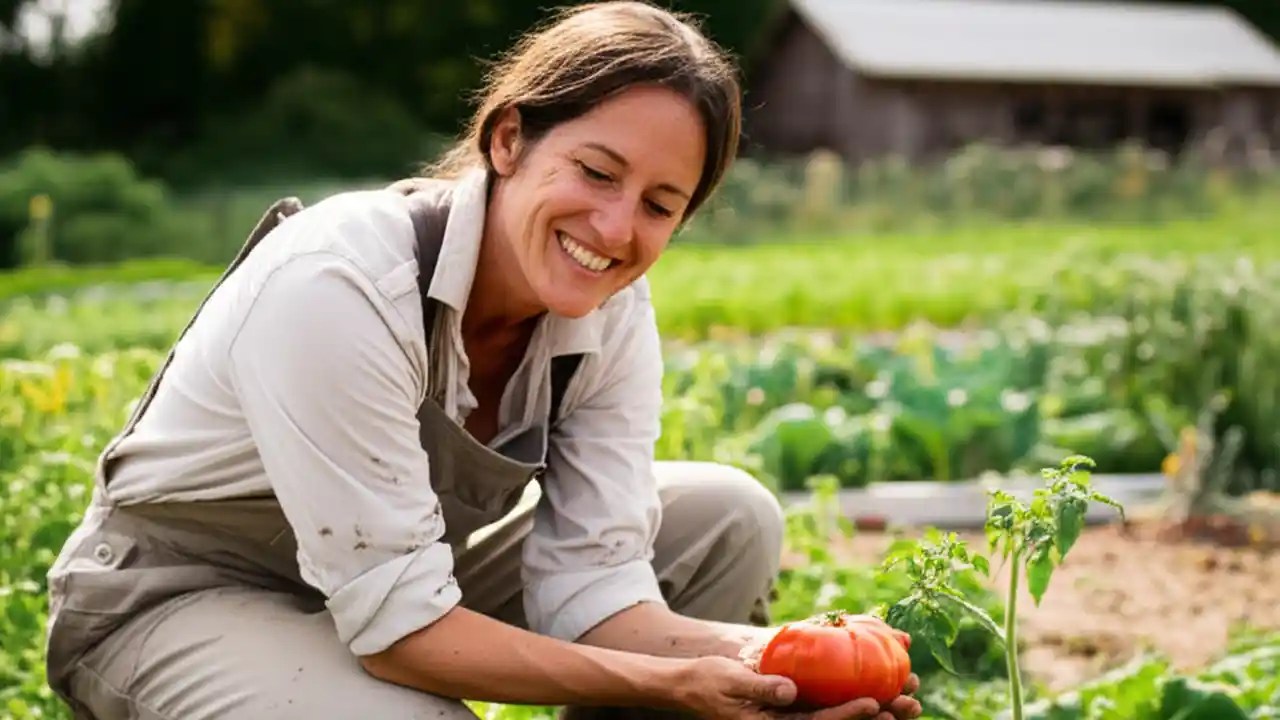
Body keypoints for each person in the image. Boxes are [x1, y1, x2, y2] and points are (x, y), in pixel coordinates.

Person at [44, 2, 922, 718]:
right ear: (508, 141)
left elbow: (594, 584)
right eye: (596, 172)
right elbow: (399, 630)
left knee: (728, 519)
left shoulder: (611, 312)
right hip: (180, 594)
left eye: (660, 204)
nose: (615, 231)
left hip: (387, 577)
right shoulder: (342, 280)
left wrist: (785, 664)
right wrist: (671, 684)